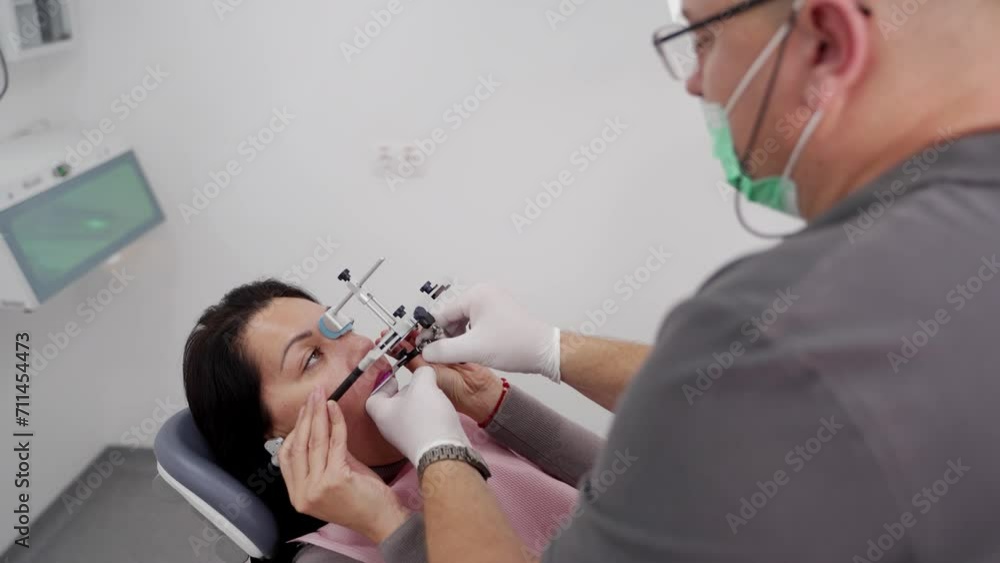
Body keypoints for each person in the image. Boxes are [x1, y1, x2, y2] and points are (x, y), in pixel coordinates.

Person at [302, 0, 1000, 561]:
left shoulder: (783, 331)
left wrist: (438, 456)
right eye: (308, 355)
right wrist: (543, 353)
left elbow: (748, 389)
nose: (695, 80)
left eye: (702, 44)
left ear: (827, 41)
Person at [181, 280, 604, 562]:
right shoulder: (331, 558)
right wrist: (388, 523)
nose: (363, 344)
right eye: (311, 357)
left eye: (340, 326)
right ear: (278, 441)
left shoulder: (448, 420)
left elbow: (631, 486)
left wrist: (496, 405)